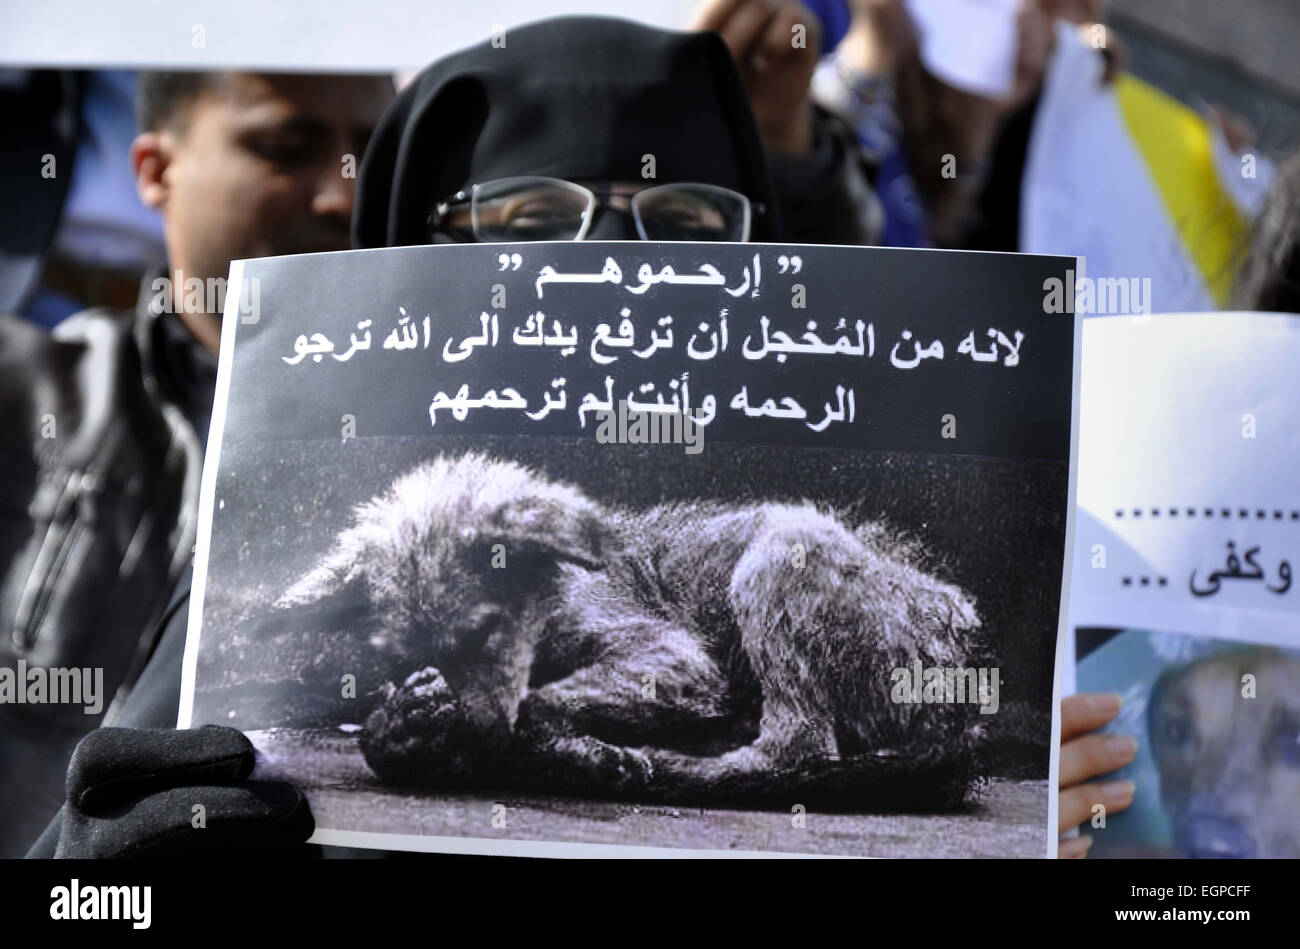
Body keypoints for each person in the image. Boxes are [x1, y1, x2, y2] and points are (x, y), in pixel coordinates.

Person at [23, 12, 889, 859]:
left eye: (688, 224)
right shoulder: (377, 543)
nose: (620, 267)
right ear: (409, 251)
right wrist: (104, 882)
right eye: (532, 224)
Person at [1, 70, 396, 857]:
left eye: (371, 157)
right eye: (286, 147)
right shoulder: (20, 396)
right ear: (154, 170)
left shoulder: (417, 473)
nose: (341, 195)